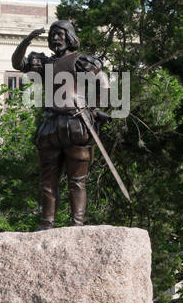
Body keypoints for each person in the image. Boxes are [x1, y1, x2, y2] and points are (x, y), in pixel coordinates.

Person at [11, 19, 110, 229]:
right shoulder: (44, 64)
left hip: (76, 124)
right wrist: (26, 41)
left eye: (60, 34)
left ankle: (77, 224)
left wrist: (94, 109)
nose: (56, 38)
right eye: (52, 35)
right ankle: (47, 223)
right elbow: (17, 64)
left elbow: (103, 83)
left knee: (77, 180)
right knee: (47, 182)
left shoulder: (82, 61)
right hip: (50, 126)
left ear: (70, 37)